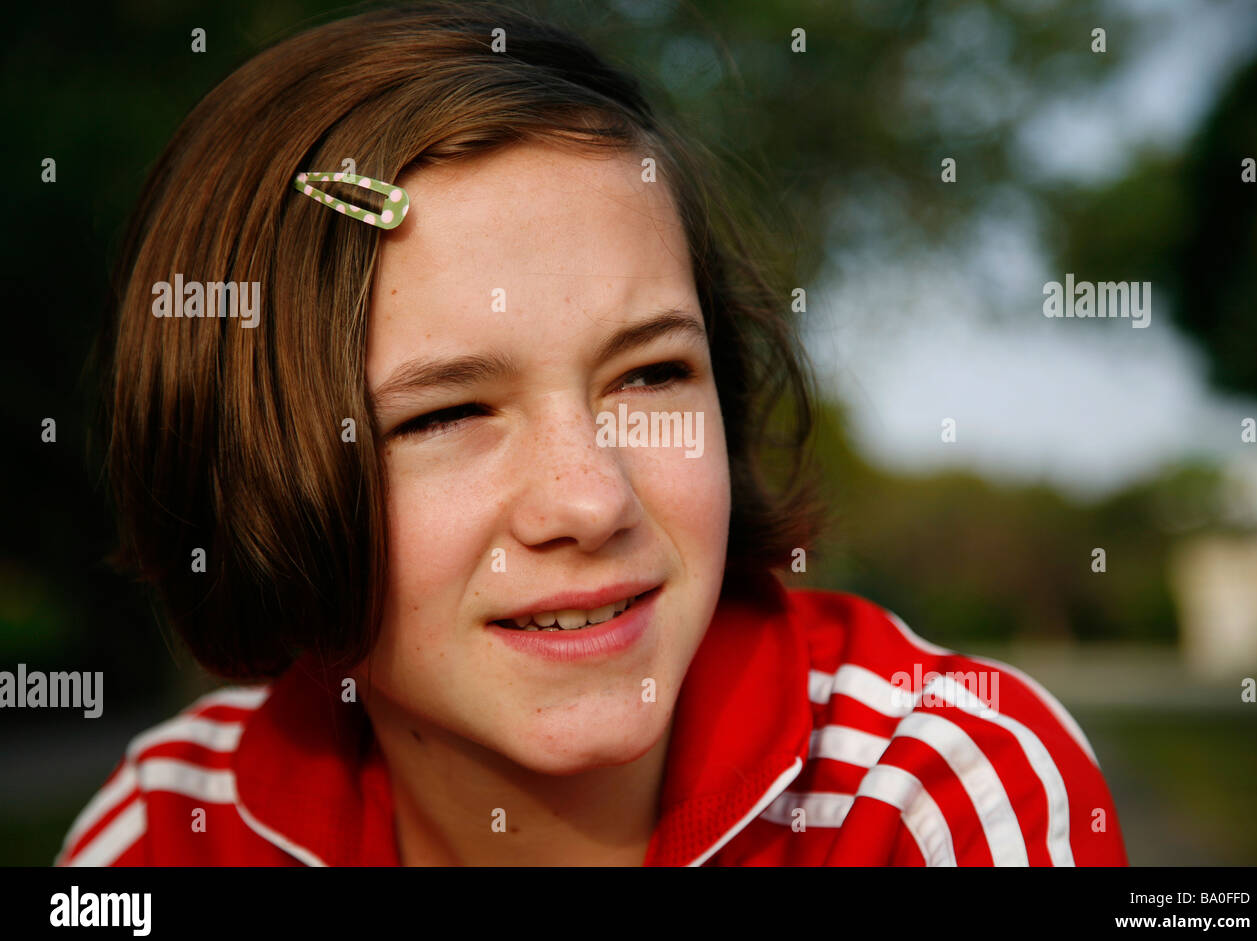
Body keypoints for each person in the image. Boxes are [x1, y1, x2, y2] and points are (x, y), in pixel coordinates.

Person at [57, 1, 1127, 867]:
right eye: (445, 411)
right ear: (252, 470)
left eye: (653, 371)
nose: (591, 499)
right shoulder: (165, 829)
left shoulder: (936, 797)